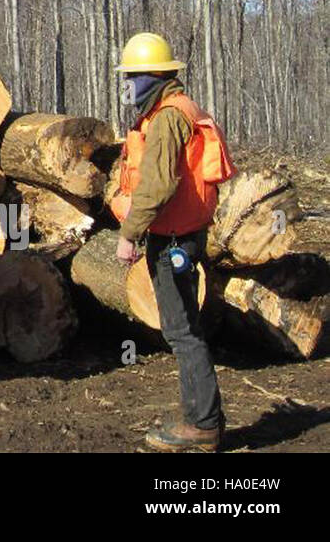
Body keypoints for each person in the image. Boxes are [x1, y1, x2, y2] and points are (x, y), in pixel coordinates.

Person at [111, 31, 235, 452]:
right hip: (186, 234)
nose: (126, 82)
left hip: (174, 240)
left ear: (152, 75)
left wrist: (130, 235)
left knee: (182, 332)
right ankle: (202, 416)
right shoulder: (181, 108)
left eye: (130, 75)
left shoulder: (167, 117)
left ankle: (203, 424)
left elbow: (159, 184)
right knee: (186, 329)